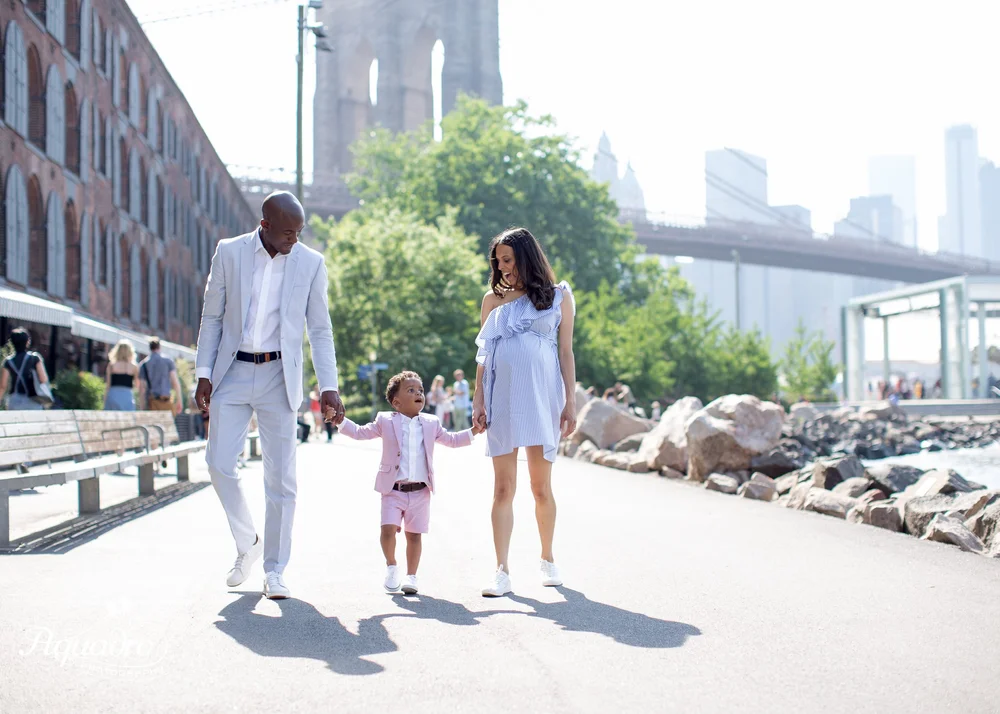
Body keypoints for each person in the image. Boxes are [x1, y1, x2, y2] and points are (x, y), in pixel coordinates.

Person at [194, 191, 344, 601]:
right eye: (288, 232)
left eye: (299, 232)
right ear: (265, 225)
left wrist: (328, 385)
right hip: (232, 372)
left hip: (281, 374)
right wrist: (204, 373)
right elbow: (211, 317)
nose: (294, 239)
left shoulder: (311, 263)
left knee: (281, 480)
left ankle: (275, 569)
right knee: (219, 464)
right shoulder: (229, 253)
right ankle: (249, 543)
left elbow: (320, 329)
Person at [472, 227, 577, 597]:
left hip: (543, 398)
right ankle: (501, 570)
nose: (502, 268)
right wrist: (478, 400)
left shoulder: (559, 298)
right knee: (503, 487)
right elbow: (483, 356)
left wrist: (571, 402)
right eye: (497, 261)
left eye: (508, 259)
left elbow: (566, 352)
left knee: (540, 487)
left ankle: (547, 558)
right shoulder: (492, 301)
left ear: (526, 257)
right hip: (502, 399)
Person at [333, 371, 481, 594]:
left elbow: (451, 440)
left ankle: (411, 577)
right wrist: (340, 420)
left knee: (414, 535)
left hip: (420, 492)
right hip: (393, 489)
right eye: (410, 390)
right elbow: (360, 432)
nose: (418, 393)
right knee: (387, 531)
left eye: (420, 390)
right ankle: (391, 566)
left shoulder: (431, 423)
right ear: (396, 402)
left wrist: (474, 432)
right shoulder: (385, 420)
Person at [0, 328, 49, 410]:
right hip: (33, 401)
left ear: (12, 342)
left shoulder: (8, 362)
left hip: (14, 401)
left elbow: (3, 385)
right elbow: (43, 379)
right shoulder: (35, 358)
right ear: (27, 342)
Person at [138, 338, 182, 414]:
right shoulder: (168, 361)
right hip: (166, 400)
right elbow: (175, 382)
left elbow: (142, 388)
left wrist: (142, 406)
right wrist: (179, 400)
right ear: (159, 347)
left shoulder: (144, 364)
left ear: (150, 348)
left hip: (151, 403)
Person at [105, 340, 139, 411]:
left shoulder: (112, 365)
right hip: (127, 396)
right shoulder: (134, 366)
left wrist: (104, 400)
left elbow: (108, 385)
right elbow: (137, 385)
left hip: (113, 394)